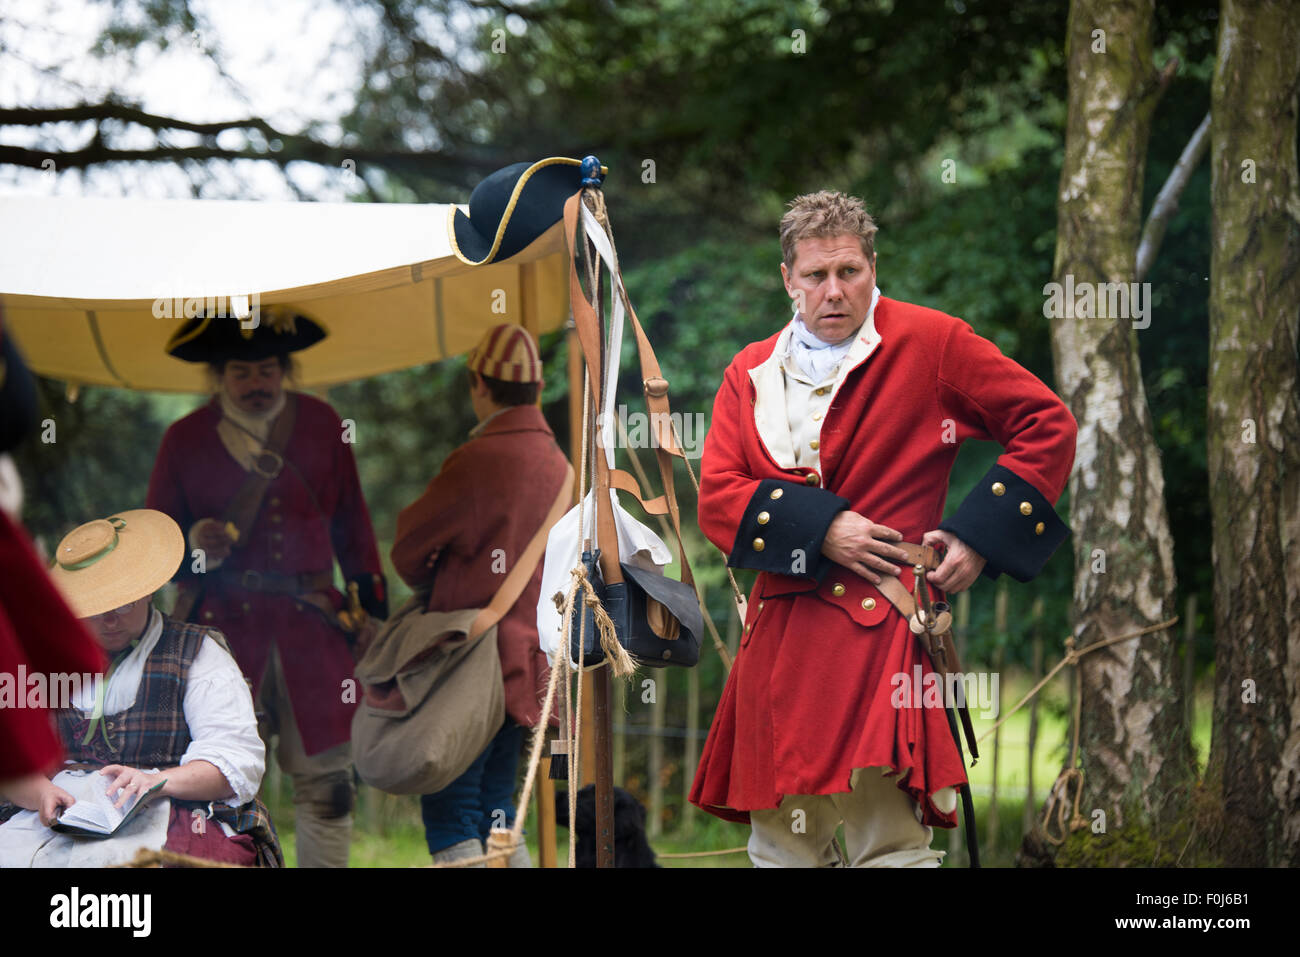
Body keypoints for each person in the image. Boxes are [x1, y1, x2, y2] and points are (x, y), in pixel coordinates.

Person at [689, 190, 1078, 867]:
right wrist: (823, 528)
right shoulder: (748, 372)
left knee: (889, 841)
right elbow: (719, 498)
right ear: (789, 280)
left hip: (888, 622)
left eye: (850, 272)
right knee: (782, 847)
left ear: (873, 266)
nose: (834, 291)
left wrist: (976, 536)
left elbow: (1045, 424)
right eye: (816, 276)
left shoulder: (932, 342)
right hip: (781, 635)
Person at [146, 308, 387, 867]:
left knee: (327, 787)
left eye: (267, 370)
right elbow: (157, 549)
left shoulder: (325, 425)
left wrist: (372, 615)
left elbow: (354, 526)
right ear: (219, 376)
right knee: (220, 785)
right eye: (240, 372)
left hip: (314, 631)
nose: (256, 383)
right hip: (223, 635)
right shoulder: (183, 439)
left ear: (284, 370)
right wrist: (195, 544)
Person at [0, 508, 281, 867]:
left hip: (173, 807)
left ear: (148, 591)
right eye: (95, 607)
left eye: (124, 601)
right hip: (55, 813)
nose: (110, 619)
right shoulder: (38, 659)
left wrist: (156, 781)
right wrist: (39, 792)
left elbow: (234, 761)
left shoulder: (196, 653)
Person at [391, 323, 569, 867]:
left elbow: (407, 549)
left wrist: (443, 581)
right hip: (530, 664)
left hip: (471, 660)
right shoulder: (561, 466)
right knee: (497, 809)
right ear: (538, 390)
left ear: (479, 385)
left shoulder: (477, 460)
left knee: (451, 807)